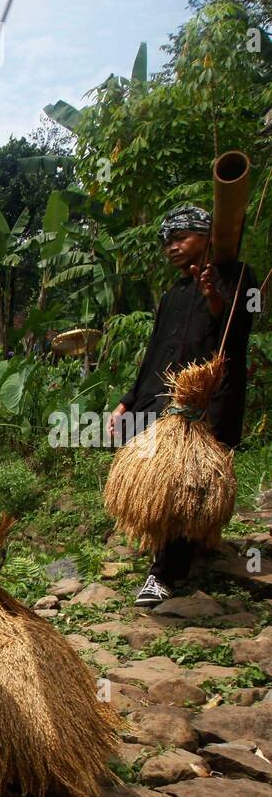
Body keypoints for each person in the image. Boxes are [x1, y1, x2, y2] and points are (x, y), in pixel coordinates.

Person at [107, 204, 255, 608]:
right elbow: (154, 353)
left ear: (208, 236)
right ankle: (167, 548)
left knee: (186, 485)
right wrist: (126, 401)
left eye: (180, 238)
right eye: (167, 242)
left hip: (207, 404)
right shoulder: (173, 293)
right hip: (156, 400)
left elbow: (244, 325)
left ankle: (165, 575)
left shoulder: (239, 277)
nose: (171, 247)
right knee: (154, 482)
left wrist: (215, 297)